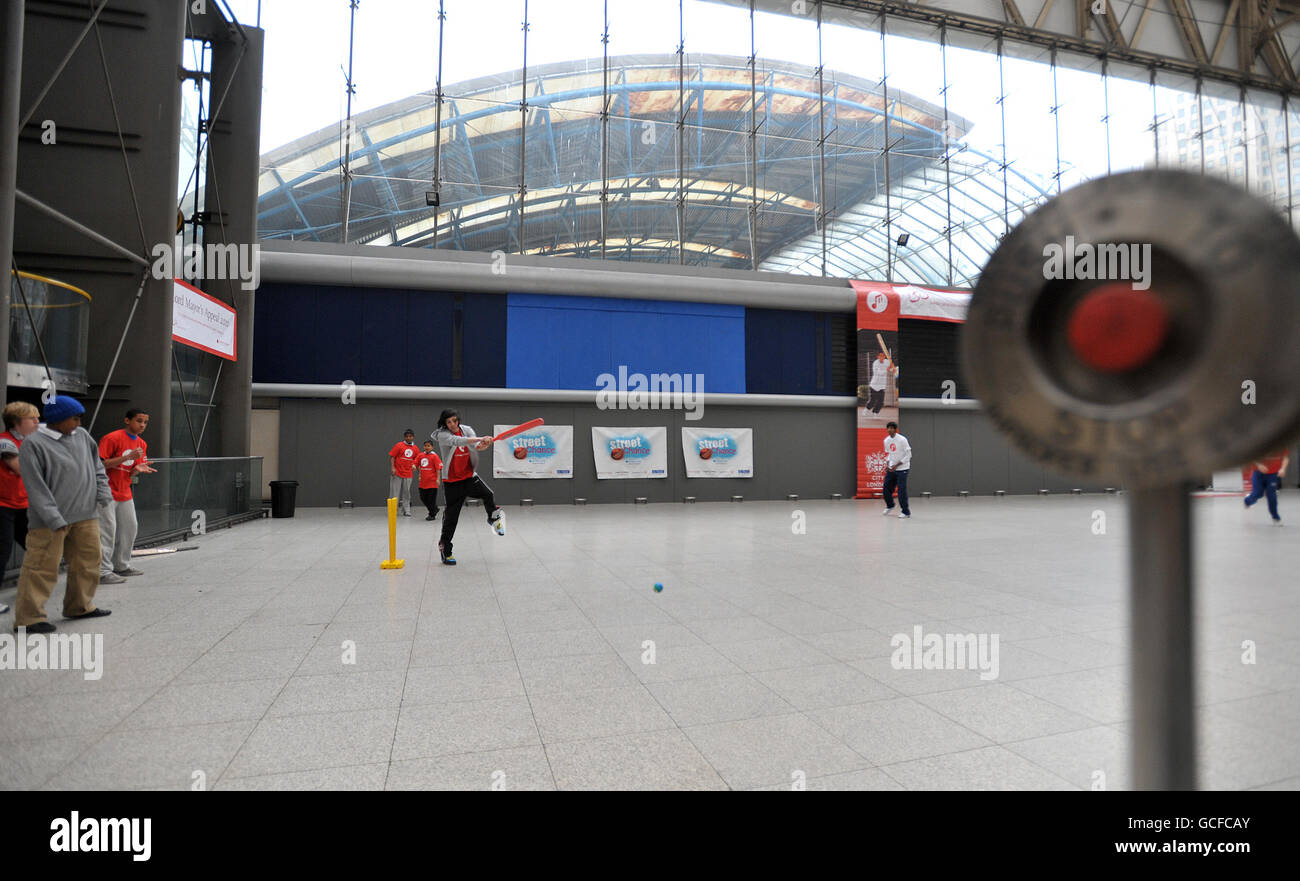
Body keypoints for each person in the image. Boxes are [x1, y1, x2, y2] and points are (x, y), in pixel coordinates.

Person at [12, 396, 112, 633]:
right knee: (40, 568)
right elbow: (35, 486)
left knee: (88, 563)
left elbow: (97, 466)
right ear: (58, 419)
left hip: (85, 515)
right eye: (74, 418)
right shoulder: (33, 444)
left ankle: (80, 605)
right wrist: (54, 518)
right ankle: (28, 618)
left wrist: (103, 491)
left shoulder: (82, 436)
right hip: (49, 521)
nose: (78, 423)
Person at [430, 409, 505, 566]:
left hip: (469, 477)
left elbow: (476, 446)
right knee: (451, 518)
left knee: (488, 494)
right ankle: (446, 550)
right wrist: (480, 438)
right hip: (452, 481)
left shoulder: (467, 429)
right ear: (444, 423)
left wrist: (484, 443)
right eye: (448, 422)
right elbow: (459, 442)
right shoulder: (443, 435)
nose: (452, 424)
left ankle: (493, 518)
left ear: (458, 420)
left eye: (454, 421)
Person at [98, 407, 156, 584]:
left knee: (130, 528)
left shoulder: (142, 444)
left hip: (124, 491)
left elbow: (131, 471)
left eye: (145, 422)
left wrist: (136, 470)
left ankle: (121, 565)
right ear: (127, 420)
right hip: (106, 491)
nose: (142, 425)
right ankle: (102, 571)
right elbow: (100, 464)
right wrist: (128, 457)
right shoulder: (112, 438)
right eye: (139, 421)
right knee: (107, 531)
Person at [0, 402, 41, 615]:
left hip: (21, 504)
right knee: (2, 550)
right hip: (3, 506)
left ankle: (32, 589)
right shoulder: (5, 442)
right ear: (16, 422)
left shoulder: (26, 442)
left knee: (36, 546)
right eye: (31, 419)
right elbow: (20, 468)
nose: (37, 422)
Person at [1244, 450, 1289, 525]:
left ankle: (1275, 517)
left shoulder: (1282, 444)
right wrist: (1258, 465)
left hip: (1273, 475)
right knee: (1258, 493)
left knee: (1272, 496)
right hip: (1258, 473)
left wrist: (1283, 469)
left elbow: (1285, 458)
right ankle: (1247, 501)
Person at [882, 421, 911, 519]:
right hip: (891, 469)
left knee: (901, 491)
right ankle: (890, 505)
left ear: (895, 429)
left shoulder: (902, 440)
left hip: (903, 468)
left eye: (891, 428)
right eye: (888, 428)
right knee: (886, 488)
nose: (889, 430)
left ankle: (906, 512)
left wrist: (897, 465)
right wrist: (888, 464)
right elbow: (889, 454)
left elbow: (908, 455)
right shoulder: (886, 441)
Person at [388, 429, 419, 517]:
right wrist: (393, 467)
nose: (409, 438)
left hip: (408, 474)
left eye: (410, 436)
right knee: (394, 492)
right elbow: (392, 457)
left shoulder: (415, 448)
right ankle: (393, 510)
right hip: (397, 472)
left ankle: (406, 510)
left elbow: (417, 459)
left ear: (413, 437)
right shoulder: (399, 445)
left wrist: (415, 466)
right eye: (407, 436)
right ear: (404, 437)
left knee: (407, 493)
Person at [417, 440, 443, 521]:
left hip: (432, 482)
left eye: (428, 446)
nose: (427, 447)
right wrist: (416, 468)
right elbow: (416, 463)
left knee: (431, 499)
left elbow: (438, 469)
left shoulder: (434, 456)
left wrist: (438, 479)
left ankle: (432, 514)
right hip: (423, 482)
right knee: (423, 498)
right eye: (425, 446)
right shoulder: (420, 455)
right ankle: (435, 509)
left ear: (432, 447)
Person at [866, 350, 897, 415]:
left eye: (883, 356)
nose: (881, 357)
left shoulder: (887, 362)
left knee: (881, 402)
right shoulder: (875, 363)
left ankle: (875, 413)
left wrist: (893, 369)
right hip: (874, 385)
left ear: (884, 356)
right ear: (877, 356)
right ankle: (866, 410)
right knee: (872, 401)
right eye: (880, 356)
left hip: (882, 385)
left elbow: (891, 368)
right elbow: (879, 373)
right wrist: (888, 369)